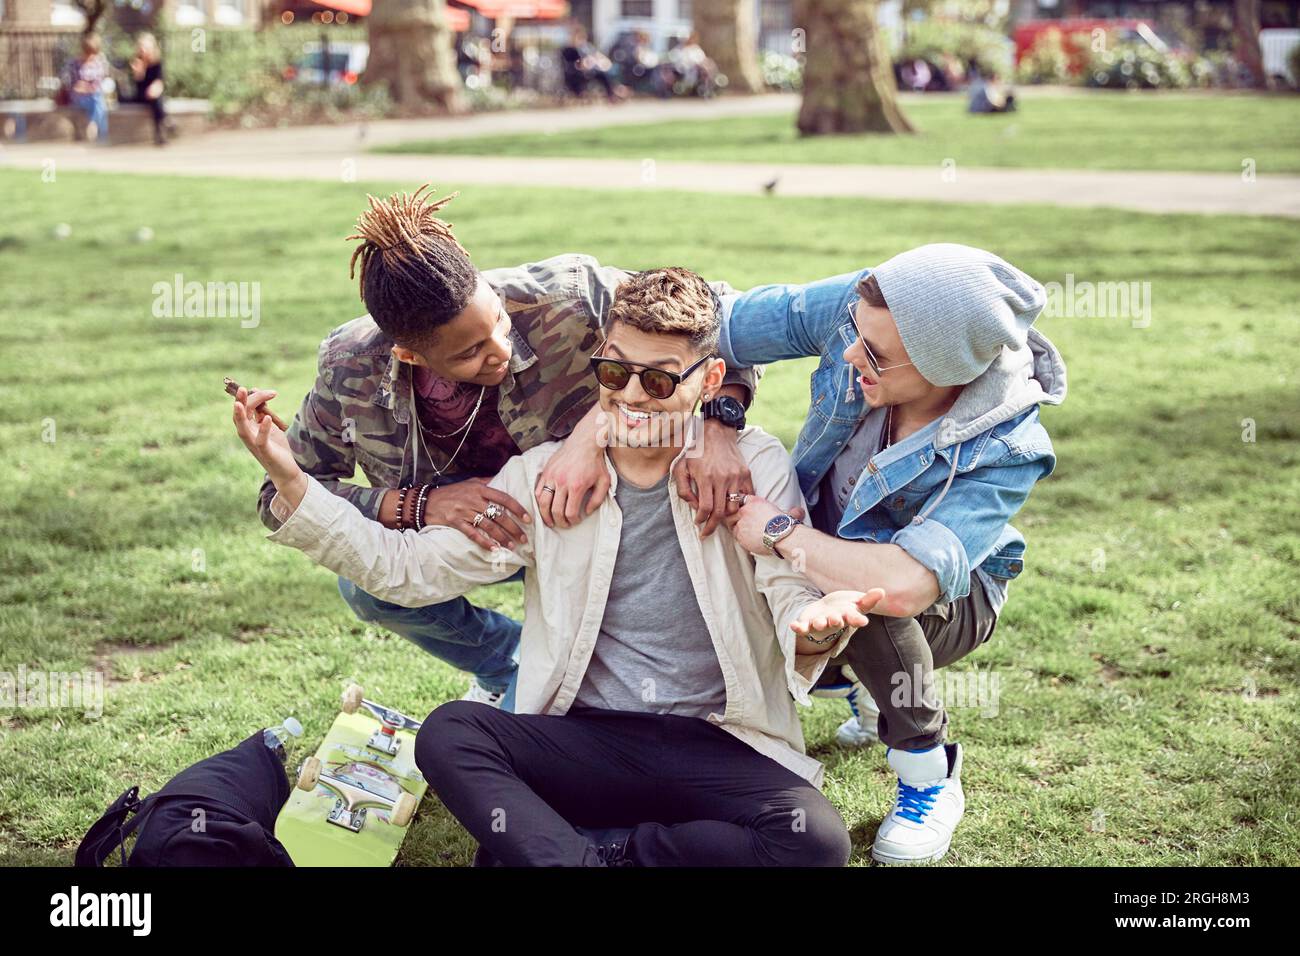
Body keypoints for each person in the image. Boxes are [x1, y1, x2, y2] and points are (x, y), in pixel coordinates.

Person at [234, 266, 881, 867]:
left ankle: (597, 854)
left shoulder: (750, 466)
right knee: (450, 733)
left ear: (709, 382)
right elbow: (408, 571)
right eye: (613, 373)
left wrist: (817, 627)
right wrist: (289, 475)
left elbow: (790, 590)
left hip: (718, 739)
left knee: (813, 840)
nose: (631, 396)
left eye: (658, 380)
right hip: (586, 739)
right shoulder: (543, 477)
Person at [241, 187, 760, 711]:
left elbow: (724, 318)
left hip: (596, 521)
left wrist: (717, 427)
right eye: (471, 353)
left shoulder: (570, 296)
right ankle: (503, 663)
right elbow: (286, 496)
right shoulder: (350, 370)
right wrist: (418, 506)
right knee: (366, 588)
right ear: (409, 354)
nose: (502, 351)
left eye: (500, 322)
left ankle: (816, 669)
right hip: (471, 541)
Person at [719, 244, 1066, 864]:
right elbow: (714, 321)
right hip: (822, 551)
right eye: (855, 332)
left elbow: (908, 583)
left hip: (951, 605)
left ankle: (928, 775)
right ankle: (852, 680)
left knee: (869, 597)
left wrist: (779, 533)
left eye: (874, 354)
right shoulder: (864, 309)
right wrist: (719, 425)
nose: (851, 354)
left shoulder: (1010, 445)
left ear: (946, 369)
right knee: (722, 532)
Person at [67, 33, 109, 143]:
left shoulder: (100, 62)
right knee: (99, 103)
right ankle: (100, 136)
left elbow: (98, 83)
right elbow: (74, 85)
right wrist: (85, 87)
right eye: (88, 52)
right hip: (79, 97)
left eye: (93, 53)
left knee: (97, 100)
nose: (90, 56)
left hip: (93, 94)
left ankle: (93, 125)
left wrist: (87, 87)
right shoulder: (75, 63)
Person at [127, 33, 167, 147]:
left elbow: (159, 81)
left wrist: (154, 90)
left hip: (154, 93)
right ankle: (165, 125)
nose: (144, 50)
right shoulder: (137, 62)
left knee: (157, 101)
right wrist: (140, 70)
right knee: (156, 102)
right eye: (142, 47)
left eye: (146, 47)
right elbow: (138, 82)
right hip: (140, 94)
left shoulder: (157, 63)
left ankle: (159, 133)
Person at [560, 26, 618, 101]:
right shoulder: (569, 50)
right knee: (600, 74)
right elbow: (576, 64)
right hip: (576, 73)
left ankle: (612, 93)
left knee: (604, 74)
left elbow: (596, 55)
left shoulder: (586, 47)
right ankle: (611, 94)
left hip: (588, 70)